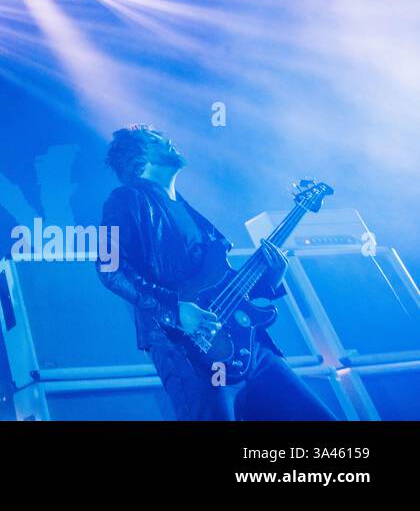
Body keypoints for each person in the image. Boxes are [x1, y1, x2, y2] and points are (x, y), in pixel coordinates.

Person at [98, 125, 335, 420]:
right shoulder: (125, 200)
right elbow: (109, 268)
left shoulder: (188, 211)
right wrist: (174, 309)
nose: (169, 140)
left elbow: (224, 287)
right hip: (188, 349)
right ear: (138, 155)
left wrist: (272, 277)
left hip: (249, 345)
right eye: (156, 139)